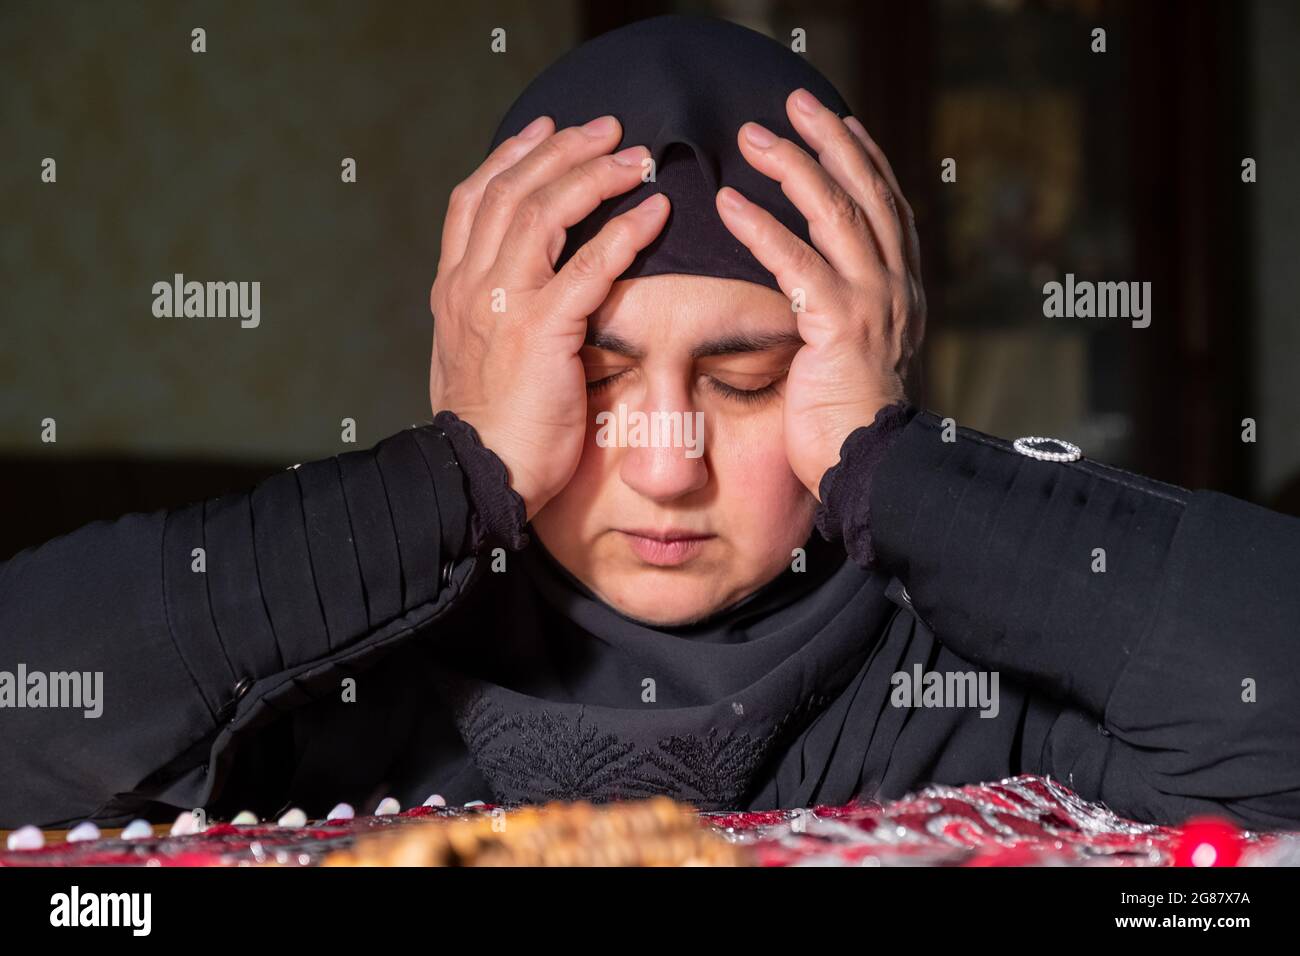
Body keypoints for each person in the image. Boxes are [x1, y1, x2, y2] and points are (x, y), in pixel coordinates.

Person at [2, 14, 1299, 832]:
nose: (668, 465)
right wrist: (438, 482)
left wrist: (902, 473)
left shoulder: (976, 695)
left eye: (746, 378)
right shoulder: (335, 695)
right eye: (598, 375)